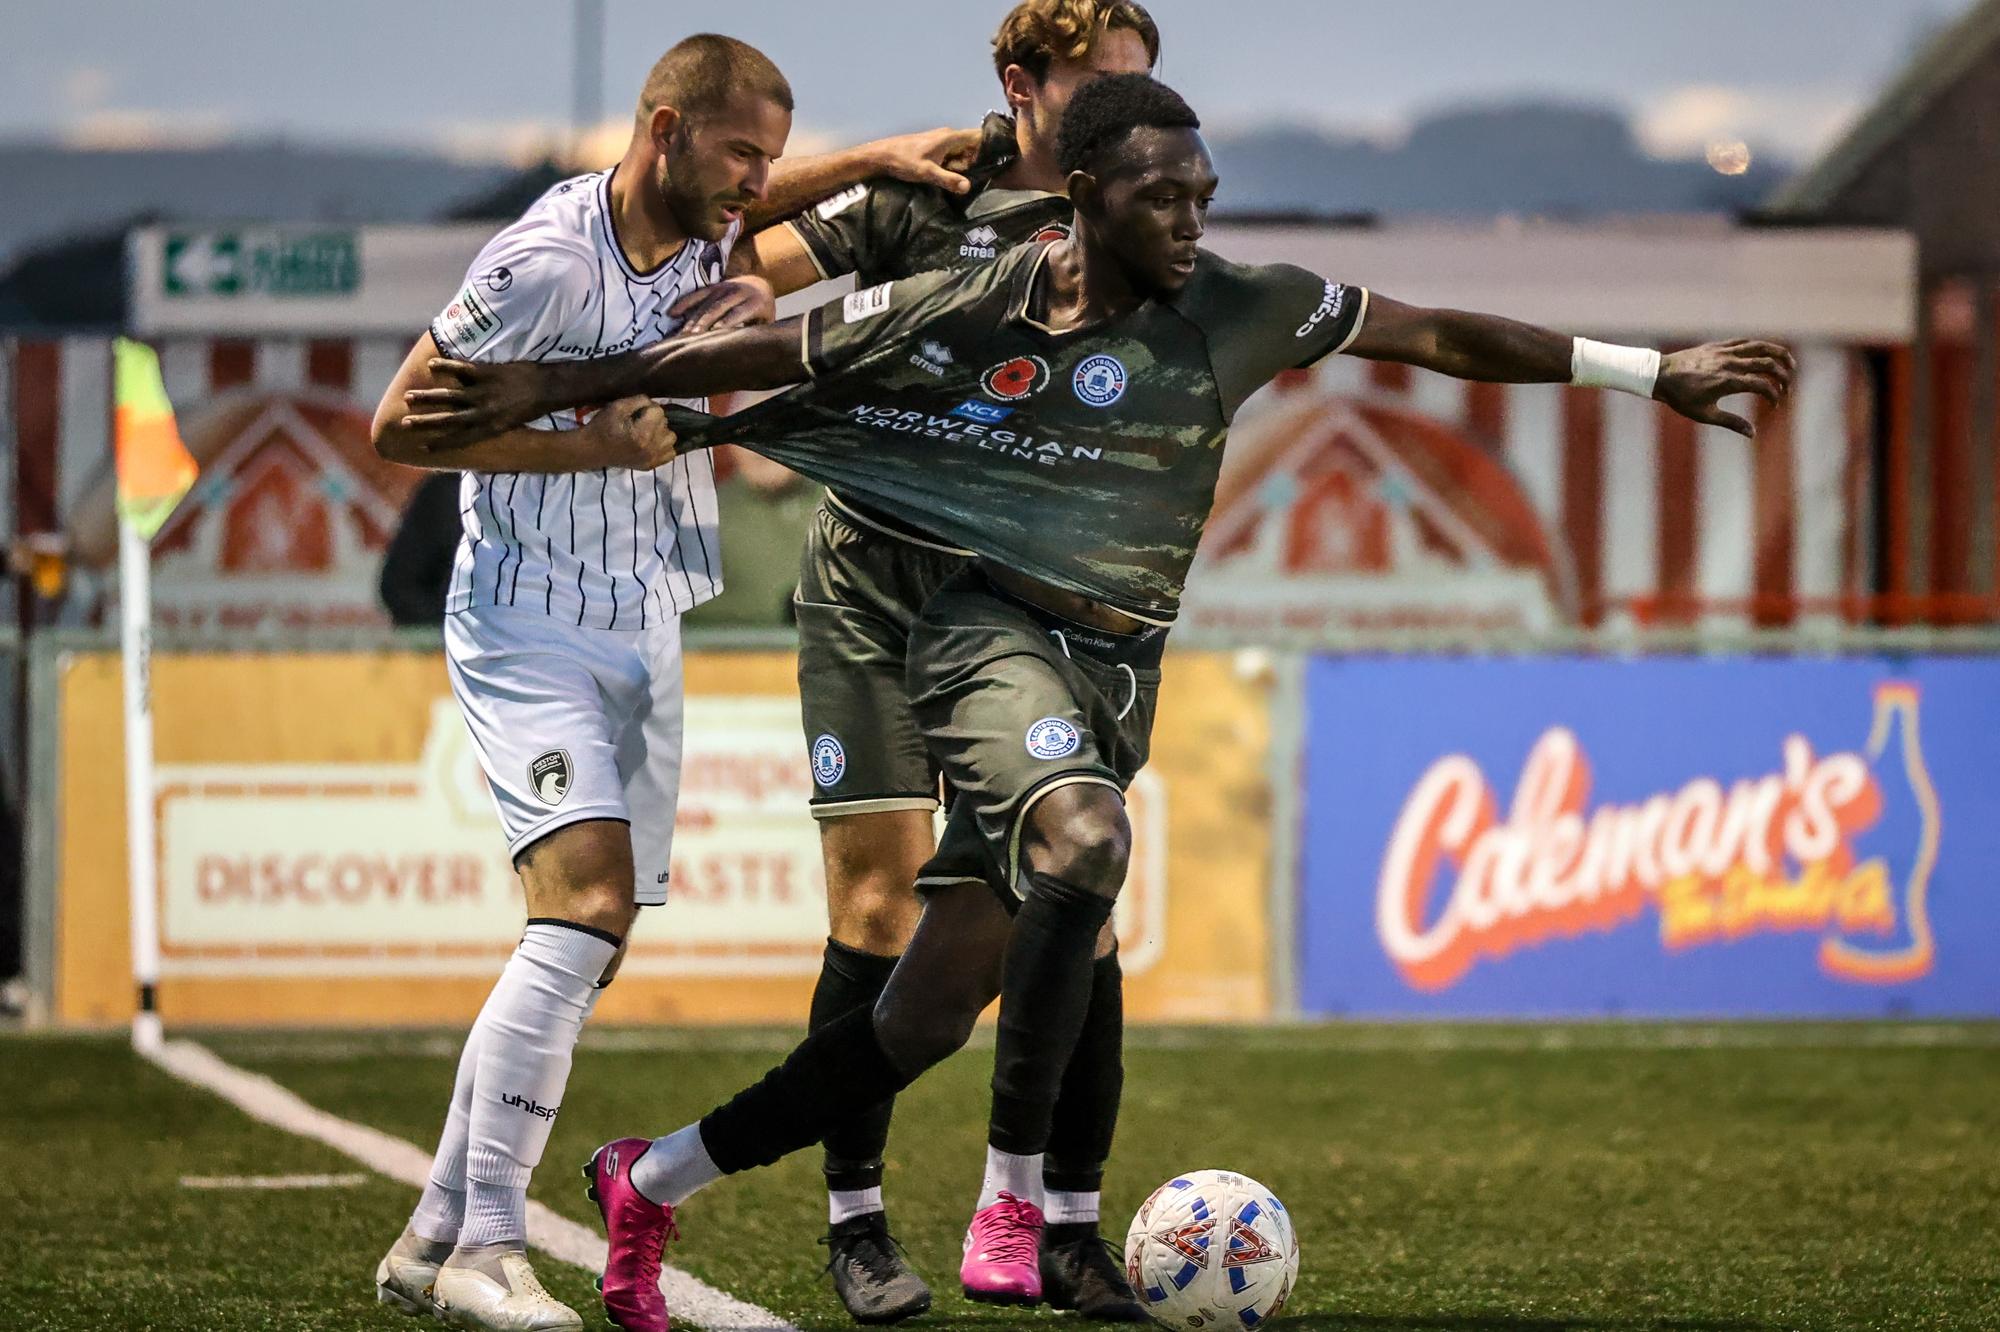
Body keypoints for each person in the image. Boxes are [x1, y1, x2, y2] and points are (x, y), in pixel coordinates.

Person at [400, 74, 1796, 1332]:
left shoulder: (1243, 305)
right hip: (987, 642)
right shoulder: (983, 296)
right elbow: (790, 354)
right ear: (1081, 196)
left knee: (920, 1021)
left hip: (1117, 674)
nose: (1191, 222)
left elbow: (1434, 332)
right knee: (1087, 844)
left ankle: (650, 1176)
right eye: (1161, 197)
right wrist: (564, 383)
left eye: (1203, 196)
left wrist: (1649, 370)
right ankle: (1021, 1207)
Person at [367, 32, 982, 1332]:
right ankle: (487, 1246)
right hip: (530, 618)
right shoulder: (545, 259)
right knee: (581, 911)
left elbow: (759, 202)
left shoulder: (705, 235)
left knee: (586, 945)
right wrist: (591, 447)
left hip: (647, 616)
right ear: (662, 133)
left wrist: (875, 158)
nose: (755, 182)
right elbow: (400, 423)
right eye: (739, 153)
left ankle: (430, 1235)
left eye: (770, 158)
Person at [674, 1, 1159, 1320]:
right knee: (879, 917)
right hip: (872, 593)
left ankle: (1067, 1230)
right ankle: (857, 1223)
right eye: (1099, 88)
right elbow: (745, 263)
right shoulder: (920, 194)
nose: (1123, 118)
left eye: (1139, 92)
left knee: (1075, 900)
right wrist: (759, 291)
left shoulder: (1132, 215)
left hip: (1026, 602)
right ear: (1021, 82)